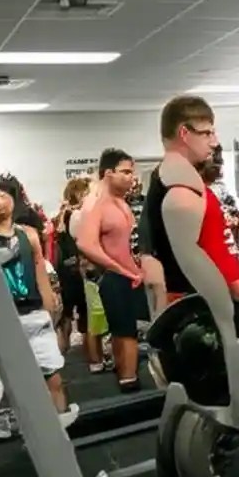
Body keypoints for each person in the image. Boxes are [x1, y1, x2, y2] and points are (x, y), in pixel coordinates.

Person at [148, 94, 239, 477]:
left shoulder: (170, 182)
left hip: (188, 312)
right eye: (207, 132)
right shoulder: (181, 191)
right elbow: (194, 257)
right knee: (220, 417)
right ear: (185, 133)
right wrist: (226, 320)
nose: (214, 141)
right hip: (202, 319)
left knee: (200, 411)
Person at [0, 179, 77, 439]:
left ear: (14, 201)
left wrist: (49, 306)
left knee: (52, 373)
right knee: (5, 381)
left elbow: (39, 271)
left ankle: (61, 419)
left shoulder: (28, 234)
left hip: (33, 312)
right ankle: (13, 423)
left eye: (3, 197)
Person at [76, 148, 144, 392]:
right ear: (108, 173)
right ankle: (129, 382)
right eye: (125, 172)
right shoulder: (96, 205)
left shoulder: (121, 202)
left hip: (130, 277)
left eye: (131, 172)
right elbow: (85, 243)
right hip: (114, 277)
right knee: (125, 333)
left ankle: (126, 376)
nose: (131, 177)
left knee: (127, 330)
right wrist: (118, 268)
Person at [53, 177, 104, 372]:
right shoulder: (77, 215)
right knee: (87, 314)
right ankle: (91, 357)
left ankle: (65, 356)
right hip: (79, 268)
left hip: (66, 269)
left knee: (67, 315)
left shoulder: (61, 215)